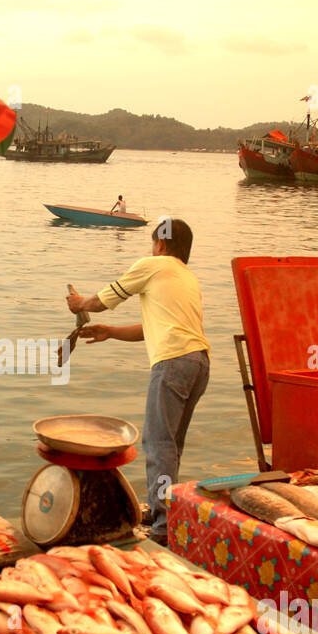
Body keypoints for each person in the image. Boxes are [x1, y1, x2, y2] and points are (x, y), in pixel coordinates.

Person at [67, 218, 209, 546]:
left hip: (173, 363)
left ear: (160, 244)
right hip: (198, 363)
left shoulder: (153, 265)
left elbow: (104, 299)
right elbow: (152, 328)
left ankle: (162, 529)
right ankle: (167, 511)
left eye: (152, 243)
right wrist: (110, 332)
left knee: (158, 445)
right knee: (170, 447)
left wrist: (80, 305)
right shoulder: (185, 277)